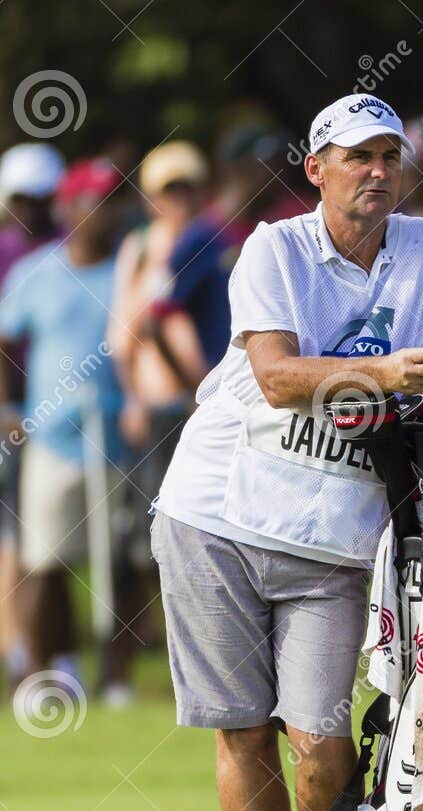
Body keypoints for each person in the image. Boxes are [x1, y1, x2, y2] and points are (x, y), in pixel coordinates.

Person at [150, 94, 423, 811]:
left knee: (322, 735)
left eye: (389, 156)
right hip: (217, 511)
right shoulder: (275, 247)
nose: (376, 170)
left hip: (334, 534)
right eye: (356, 156)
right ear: (315, 169)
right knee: (243, 729)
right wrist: (387, 371)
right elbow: (280, 377)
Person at [0, 159, 132, 697]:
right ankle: (45, 671)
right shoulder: (37, 271)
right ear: (71, 206)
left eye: (114, 199)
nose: (108, 211)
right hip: (51, 438)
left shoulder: (131, 264)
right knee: (44, 561)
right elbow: (4, 338)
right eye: (97, 200)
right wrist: (7, 407)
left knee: (121, 563)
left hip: (121, 438)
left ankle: (116, 678)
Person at [110, 142, 235, 653]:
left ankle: (194, 644)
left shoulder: (204, 245)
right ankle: (159, 647)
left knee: (200, 533)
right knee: (150, 536)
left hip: (193, 406)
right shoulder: (142, 248)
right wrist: (134, 396)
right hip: (160, 408)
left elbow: (162, 318)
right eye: (168, 189)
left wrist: (196, 383)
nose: (177, 198)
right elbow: (131, 331)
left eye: (185, 187)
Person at [0, 143, 64, 683]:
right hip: (13, 414)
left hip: (49, 420)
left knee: (31, 541)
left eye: (41, 197)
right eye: (22, 198)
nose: (31, 208)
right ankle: (18, 649)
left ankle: (27, 650)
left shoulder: (67, 249)